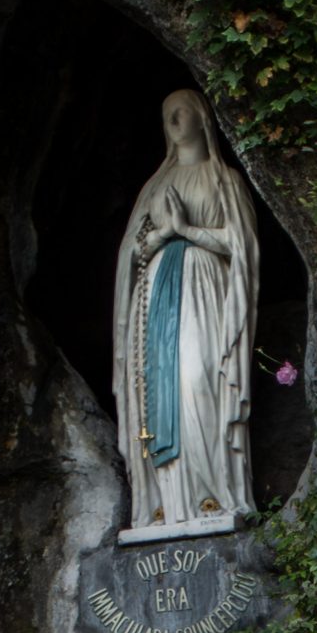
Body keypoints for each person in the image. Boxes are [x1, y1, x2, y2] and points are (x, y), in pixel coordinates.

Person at [112, 88, 258, 532]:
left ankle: (213, 495)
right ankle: (167, 505)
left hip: (204, 292)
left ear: (201, 119)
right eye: (165, 114)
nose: (172, 121)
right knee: (159, 393)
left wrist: (187, 231)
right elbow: (130, 254)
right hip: (156, 301)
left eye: (180, 111)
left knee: (198, 381)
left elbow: (242, 246)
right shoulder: (154, 187)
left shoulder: (225, 180)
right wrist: (161, 238)